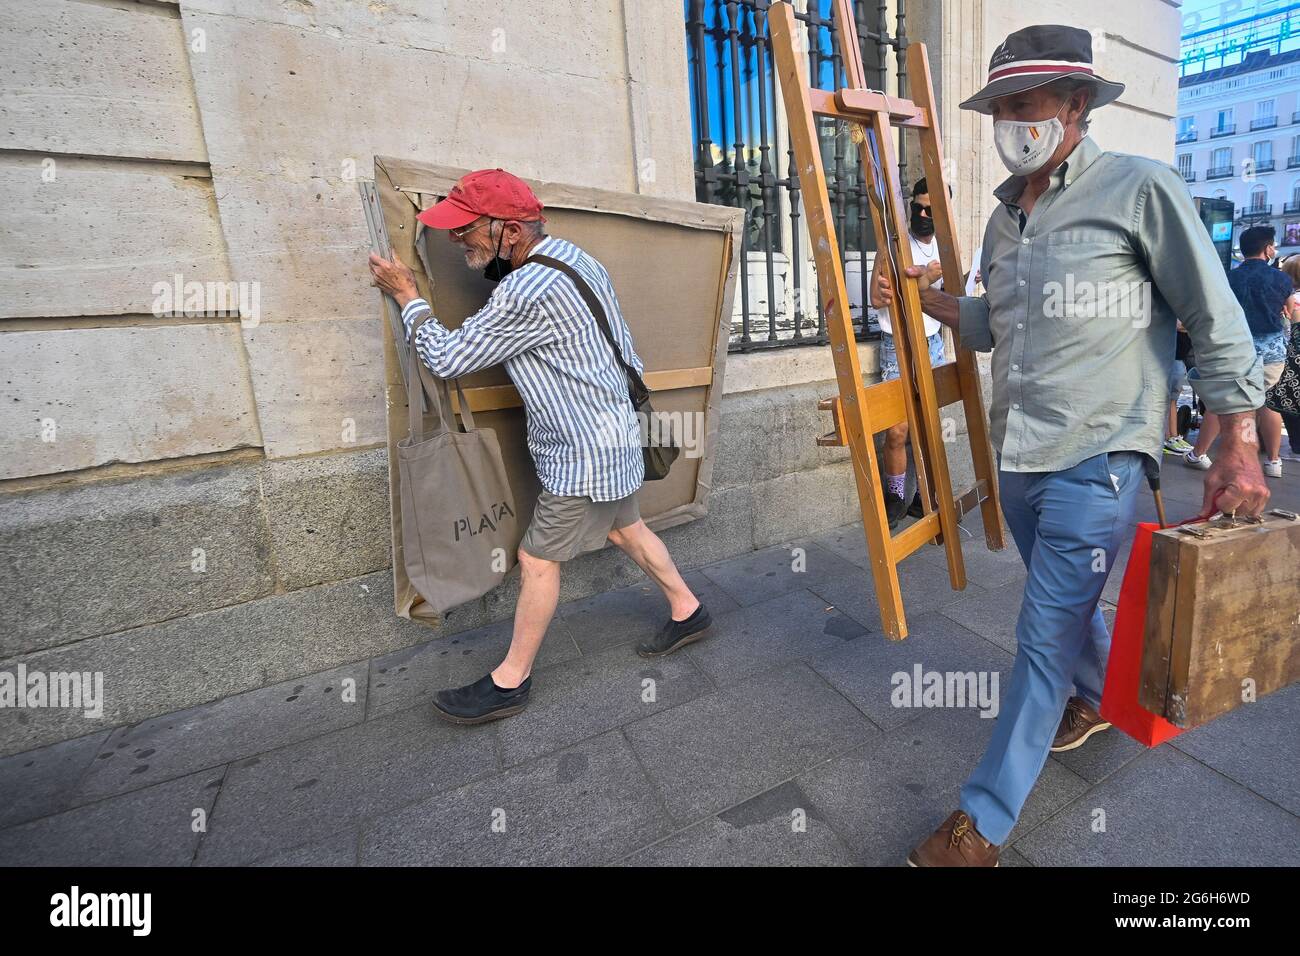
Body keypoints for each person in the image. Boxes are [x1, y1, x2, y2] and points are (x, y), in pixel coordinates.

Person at [872, 25, 1267, 867]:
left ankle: (980, 824)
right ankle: (1094, 700)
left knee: (1041, 633)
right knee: (1067, 610)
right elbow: (990, 325)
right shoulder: (1002, 220)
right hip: (1020, 459)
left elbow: (1213, 312)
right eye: (1000, 109)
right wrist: (929, 297)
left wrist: (1238, 440)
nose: (1010, 122)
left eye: (1026, 106)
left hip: (1100, 457)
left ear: (1077, 106)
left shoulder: (1139, 189)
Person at [368, 169, 711, 725]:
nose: (458, 243)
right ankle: (688, 609)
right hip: (615, 432)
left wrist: (409, 295)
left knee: (535, 559)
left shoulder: (524, 291)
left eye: (466, 231)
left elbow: (449, 358)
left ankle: (510, 681)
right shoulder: (574, 257)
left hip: (583, 454)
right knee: (627, 528)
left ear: (508, 231)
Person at [867, 177, 949, 528]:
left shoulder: (946, 248)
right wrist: (921, 282)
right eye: (919, 206)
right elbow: (876, 299)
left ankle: (923, 496)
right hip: (897, 346)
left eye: (931, 209)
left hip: (933, 344)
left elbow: (949, 303)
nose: (924, 213)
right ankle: (895, 497)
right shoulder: (894, 247)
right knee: (897, 430)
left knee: (931, 427)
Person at [1226, 225, 1299, 477]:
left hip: (1238, 346)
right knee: (1269, 404)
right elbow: (1289, 312)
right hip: (1271, 348)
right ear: (1267, 249)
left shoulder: (1229, 277)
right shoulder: (1281, 279)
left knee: (1232, 402)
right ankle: (1274, 461)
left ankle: (1221, 454)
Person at [1277, 254, 1300, 461]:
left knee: (1289, 400)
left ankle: (1297, 446)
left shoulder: (1291, 299)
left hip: (1291, 355)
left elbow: (1290, 329)